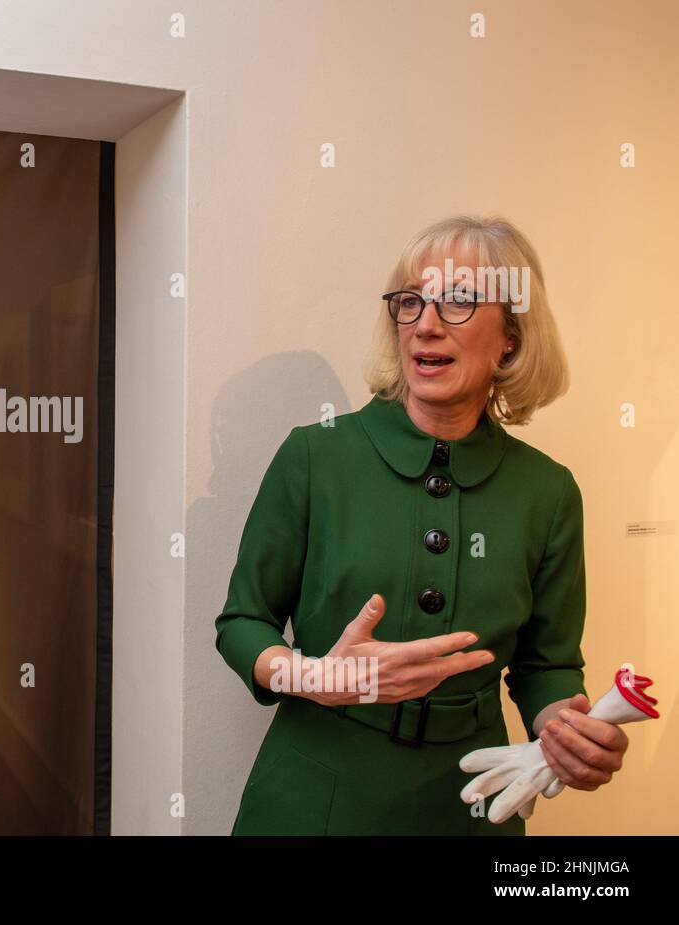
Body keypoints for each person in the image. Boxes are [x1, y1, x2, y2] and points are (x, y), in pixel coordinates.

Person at [214, 215, 630, 835]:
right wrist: (315, 675)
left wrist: (564, 730)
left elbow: (547, 665)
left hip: (468, 802)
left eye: (458, 300)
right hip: (316, 795)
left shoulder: (548, 491)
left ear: (512, 335)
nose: (425, 322)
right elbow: (241, 623)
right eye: (410, 301)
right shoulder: (315, 456)